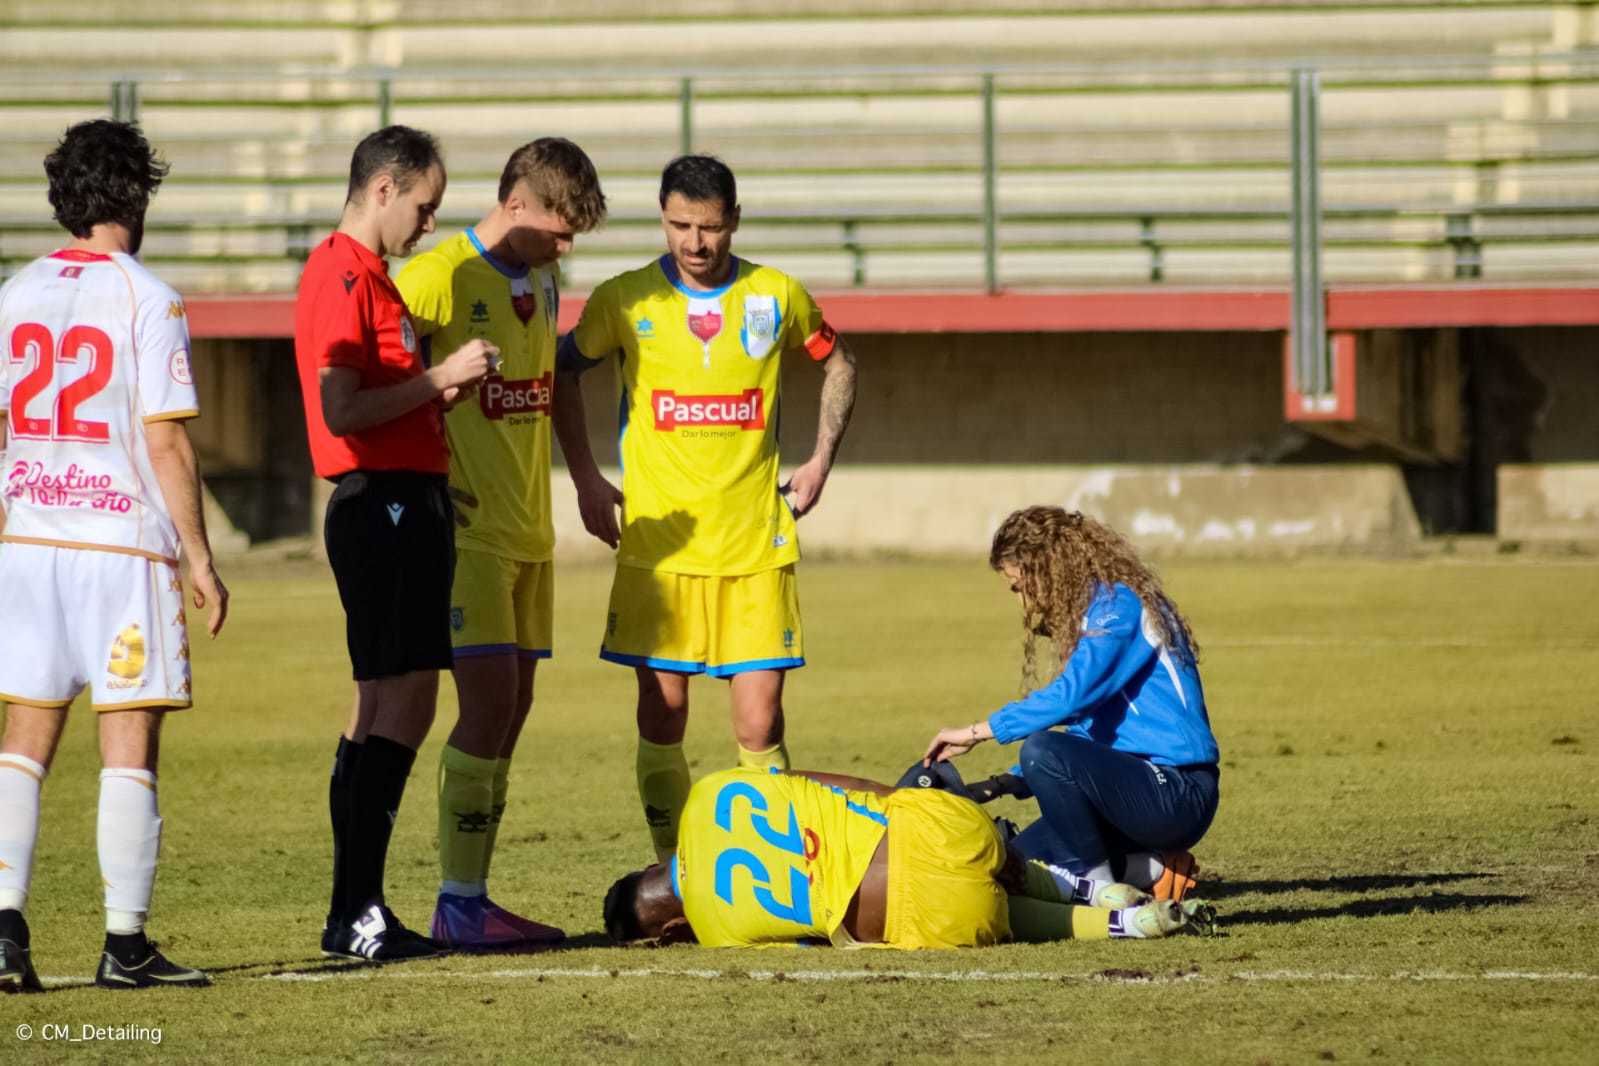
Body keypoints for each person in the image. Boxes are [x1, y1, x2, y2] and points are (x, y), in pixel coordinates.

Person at [557, 154, 858, 863]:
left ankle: (771, 873)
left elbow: (839, 363)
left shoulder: (776, 295)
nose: (694, 243)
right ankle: (677, 873)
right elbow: (561, 371)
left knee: (759, 725)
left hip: (754, 544)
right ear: (662, 218)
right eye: (679, 225)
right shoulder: (624, 300)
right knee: (662, 719)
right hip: (659, 553)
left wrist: (820, 460)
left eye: (710, 228)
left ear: (735, 223)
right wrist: (585, 481)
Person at [0, 120, 229, 990]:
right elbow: (165, 444)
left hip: (30, 542)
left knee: (22, 742)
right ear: (137, 196)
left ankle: (3, 932)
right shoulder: (148, 296)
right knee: (126, 743)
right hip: (120, 548)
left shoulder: (14, 292)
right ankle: (124, 945)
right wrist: (200, 558)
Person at [394, 138, 606, 950]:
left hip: (530, 527)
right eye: (556, 232)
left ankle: (472, 896)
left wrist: (585, 478)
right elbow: (376, 387)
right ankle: (456, 899)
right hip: (468, 529)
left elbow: (552, 385)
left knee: (512, 709)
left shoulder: (545, 277)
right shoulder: (435, 279)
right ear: (515, 203)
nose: (565, 249)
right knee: (484, 707)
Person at [293, 125, 495, 962]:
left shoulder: (369, 277)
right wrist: (441, 380)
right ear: (384, 190)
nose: (428, 224)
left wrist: (432, 453)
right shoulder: (343, 276)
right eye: (424, 206)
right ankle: (357, 911)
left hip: (402, 501)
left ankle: (358, 912)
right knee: (404, 697)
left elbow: (379, 400)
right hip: (380, 509)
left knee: (382, 699)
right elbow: (341, 413)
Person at [922, 506, 1221, 902]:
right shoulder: (1093, 614)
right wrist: (999, 785)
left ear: (1044, 568)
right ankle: (1153, 869)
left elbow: (1070, 698)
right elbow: (1085, 736)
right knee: (1009, 869)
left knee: (1042, 747)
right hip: (1126, 793)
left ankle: (1103, 891)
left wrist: (977, 733)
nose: (1020, 600)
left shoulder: (1121, 606)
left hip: (1177, 792)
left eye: (1017, 585)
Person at [603, 766, 1214, 949]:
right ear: (649, 868)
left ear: (668, 929)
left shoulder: (713, 932)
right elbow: (841, 788)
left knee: (993, 917)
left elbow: (809, 939)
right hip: (947, 832)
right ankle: (1092, 889)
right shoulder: (710, 792)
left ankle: (1125, 924)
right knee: (987, 861)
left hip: (937, 914)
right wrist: (923, 807)